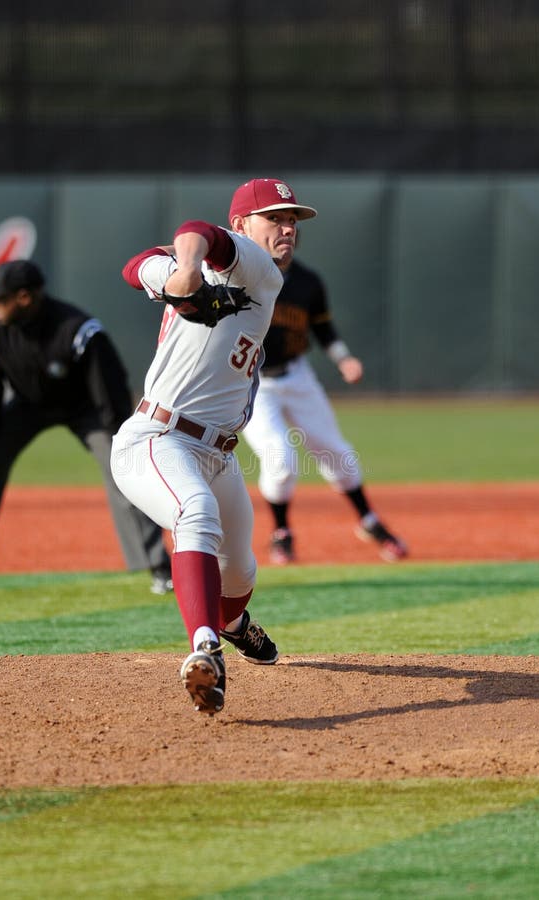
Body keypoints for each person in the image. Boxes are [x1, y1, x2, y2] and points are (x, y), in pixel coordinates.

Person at [111, 178, 317, 715]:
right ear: (243, 224)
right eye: (276, 217)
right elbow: (166, 248)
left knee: (241, 572)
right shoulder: (236, 257)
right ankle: (205, 648)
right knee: (194, 513)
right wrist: (179, 272)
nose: (288, 228)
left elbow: (161, 253)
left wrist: (177, 273)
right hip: (157, 438)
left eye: (293, 220)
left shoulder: (263, 272)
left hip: (218, 454)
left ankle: (232, 624)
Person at [0, 259, 172, 596]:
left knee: (123, 468)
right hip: (27, 405)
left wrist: (121, 439)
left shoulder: (78, 329)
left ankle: (159, 566)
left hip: (86, 408)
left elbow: (110, 390)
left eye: (0, 298)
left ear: (24, 297)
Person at [241, 255, 408, 565]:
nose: (286, 233)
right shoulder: (240, 275)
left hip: (297, 375)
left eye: (291, 229)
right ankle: (281, 531)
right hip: (254, 382)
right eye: (278, 228)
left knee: (337, 452)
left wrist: (344, 358)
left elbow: (322, 327)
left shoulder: (307, 281)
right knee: (280, 458)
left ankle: (368, 519)